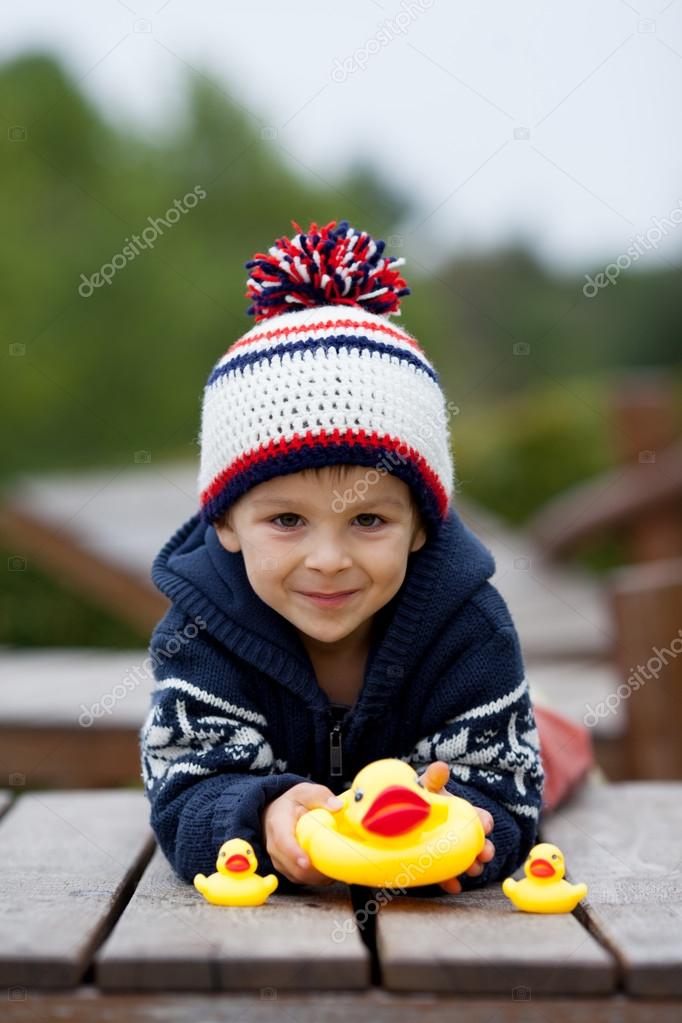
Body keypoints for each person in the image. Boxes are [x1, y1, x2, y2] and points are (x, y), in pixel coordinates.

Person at [140, 219, 593, 897]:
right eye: (287, 519)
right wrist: (258, 815)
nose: (328, 559)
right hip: (299, 788)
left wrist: (475, 824)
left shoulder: (470, 627)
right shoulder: (198, 632)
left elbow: (506, 793)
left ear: (420, 527)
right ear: (227, 521)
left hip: (433, 777)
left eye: (369, 519)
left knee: (547, 751)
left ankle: (554, 725)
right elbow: (185, 789)